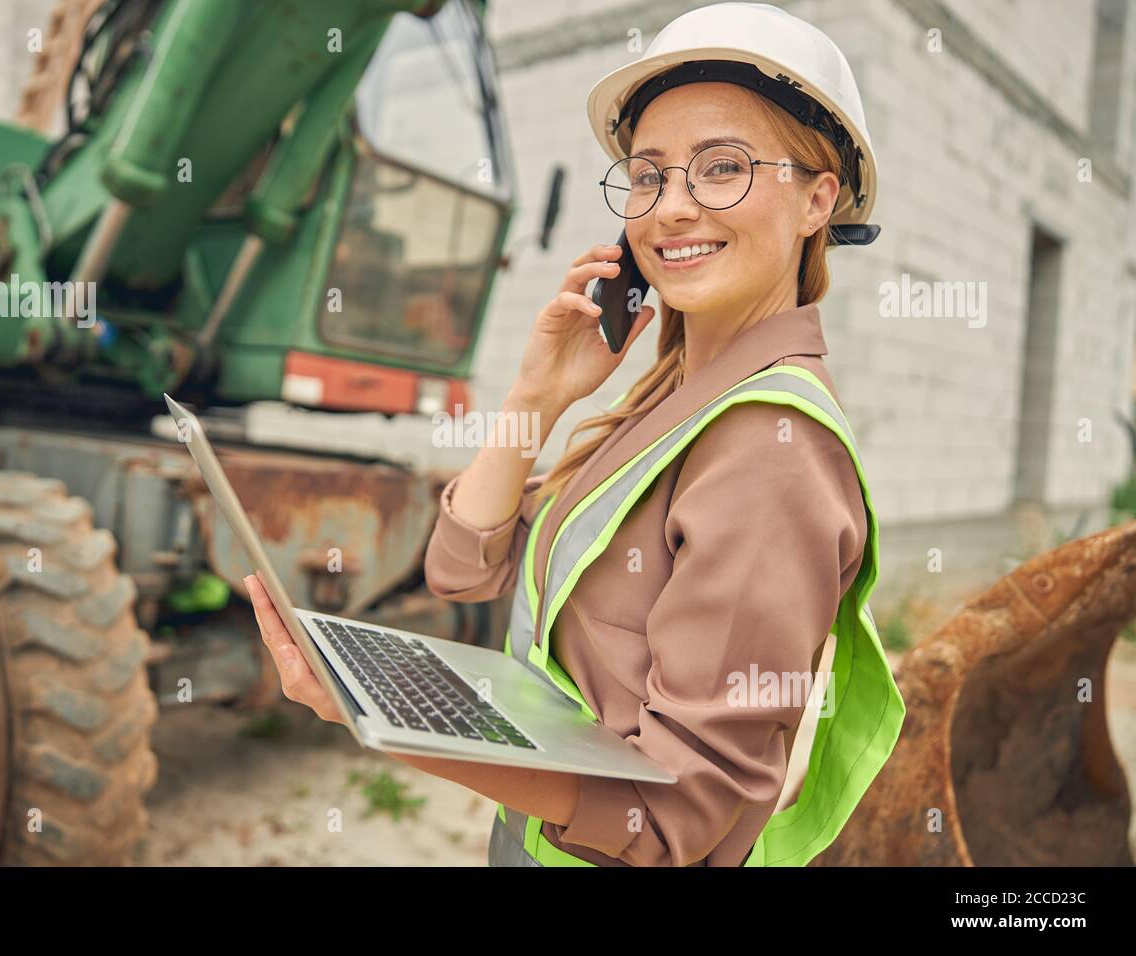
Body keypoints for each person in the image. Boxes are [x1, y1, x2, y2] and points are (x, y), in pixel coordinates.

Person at [245, 1, 904, 867]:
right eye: (647, 174)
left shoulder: (769, 447)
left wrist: (388, 721)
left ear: (819, 198)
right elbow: (462, 567)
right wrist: (538, 394)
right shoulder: (673, 399)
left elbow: (677, 818)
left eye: (722, 169)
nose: (671, 208)